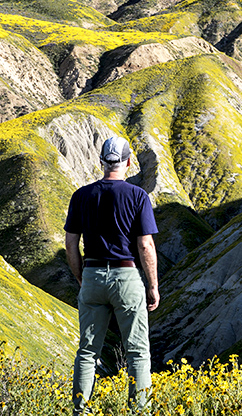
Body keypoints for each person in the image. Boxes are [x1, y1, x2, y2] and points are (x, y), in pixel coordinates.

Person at [64, 136, 160, 415]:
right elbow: (145, 245)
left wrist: (82, 276)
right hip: (126, 277)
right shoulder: (137, 196)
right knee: (137, 352)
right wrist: (153, 286)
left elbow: (71, 243)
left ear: (102, 162)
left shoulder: (81, 196)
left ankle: (81, 411)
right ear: (128, 162)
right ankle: (139, 411)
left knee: (87, 352)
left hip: (92, 275)